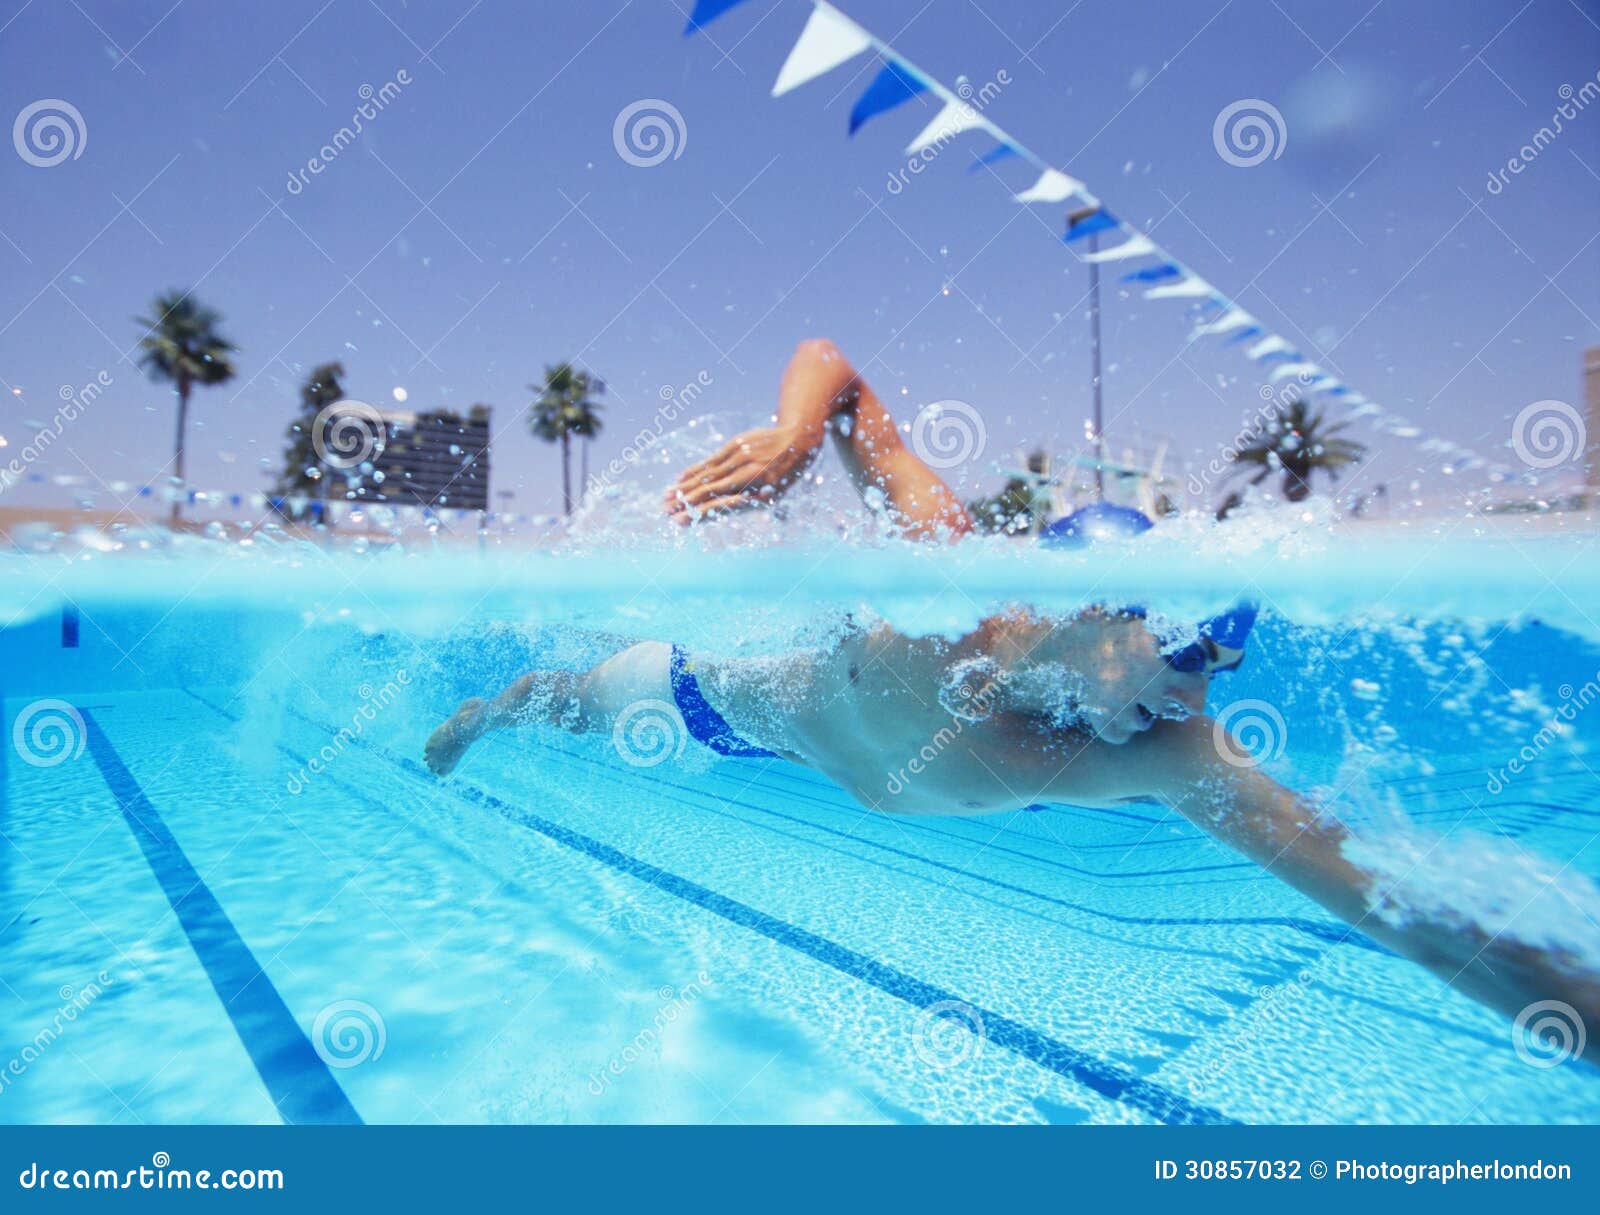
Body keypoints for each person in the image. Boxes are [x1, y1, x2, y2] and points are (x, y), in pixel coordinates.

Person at [427, 338, 1598, 1057]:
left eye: (1209, 681)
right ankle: (491, 712)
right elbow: (832, 366)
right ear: (1105, 613)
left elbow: (1384, 902)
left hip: (795, 750)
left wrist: (1568, 1007)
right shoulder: (949, 572)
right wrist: (792, 439)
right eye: (1183, 663)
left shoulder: (1165, 754)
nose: (1188, 704)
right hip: (704, 696)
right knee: (562, 701)